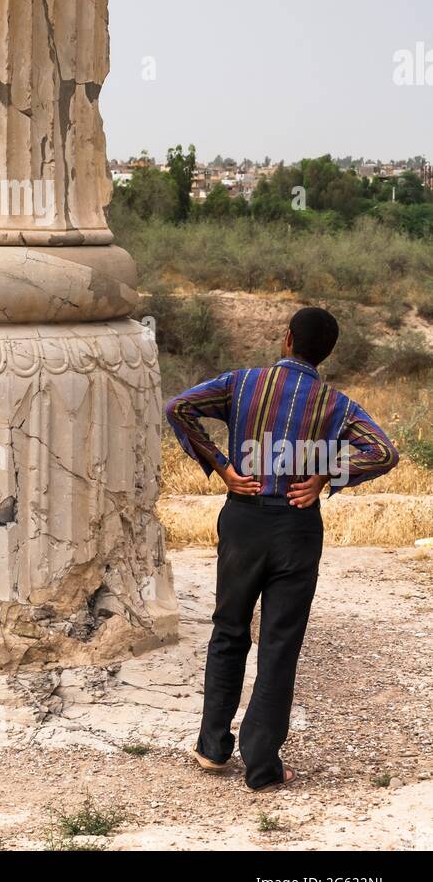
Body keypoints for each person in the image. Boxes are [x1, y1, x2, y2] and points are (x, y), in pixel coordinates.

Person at [164, 306, 399, 791]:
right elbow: (384, 451)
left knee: (229, 630)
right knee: (279, 644)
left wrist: (223, 465)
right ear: (326, 353)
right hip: (297, 528)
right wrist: (326, 475)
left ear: (287, 339)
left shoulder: (242, 383)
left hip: (243, 520)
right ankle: (262, 764)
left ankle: (212, 748)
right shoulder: (336, 403)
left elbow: (178, 407)